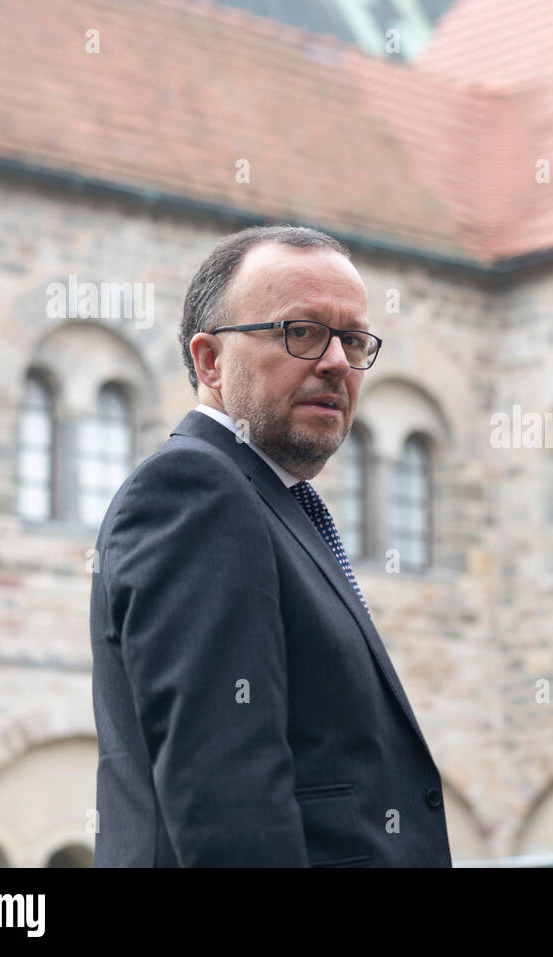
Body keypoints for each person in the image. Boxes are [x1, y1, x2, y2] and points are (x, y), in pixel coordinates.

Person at [90, 225, 451, 866]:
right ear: (209, 361)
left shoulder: (272, 500)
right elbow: (227, 792)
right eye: (301, 332)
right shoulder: (196, 490)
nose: (337, 362)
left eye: (354, 339)